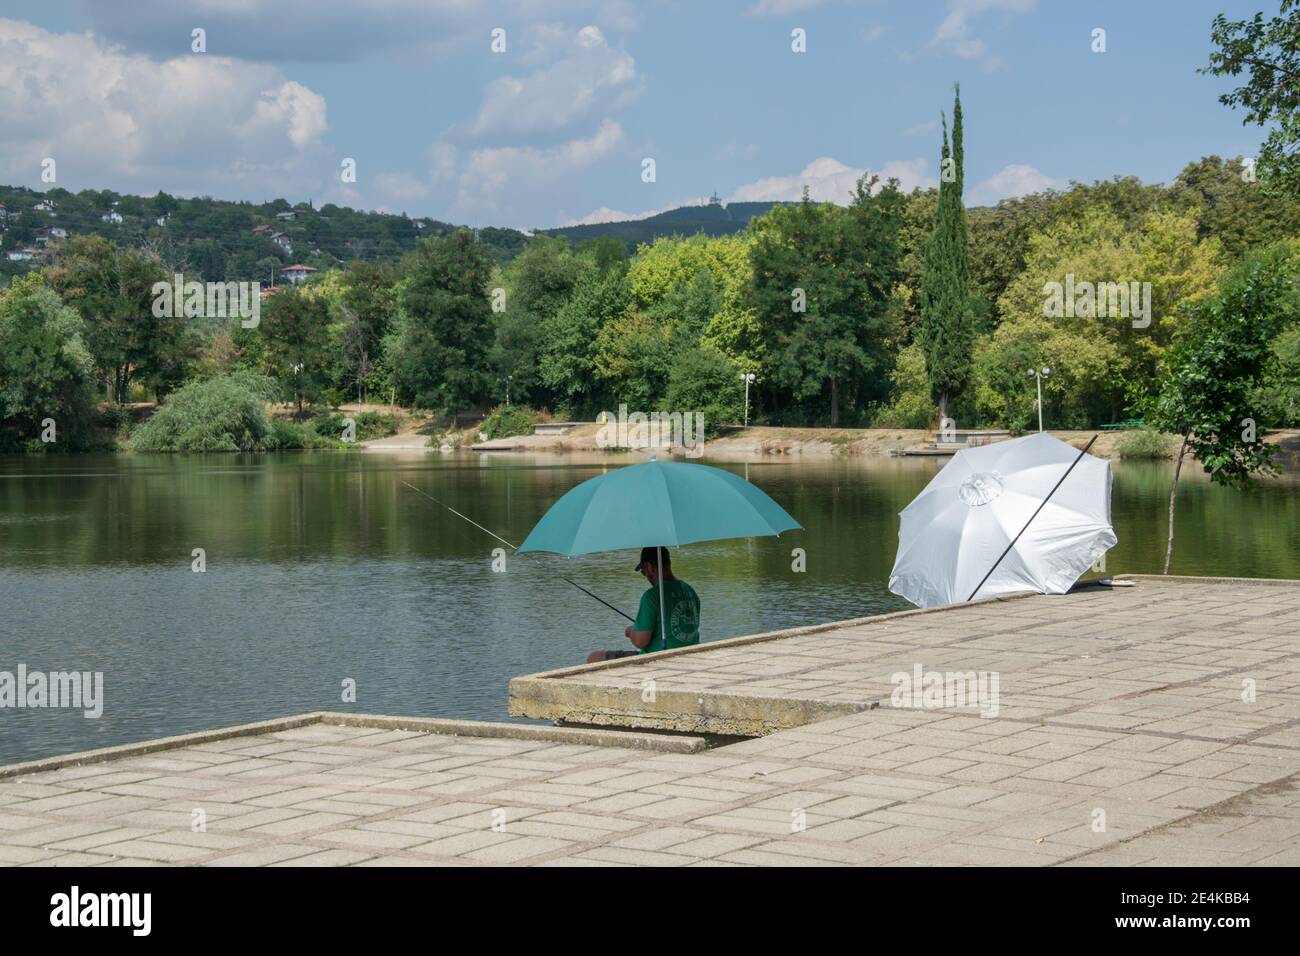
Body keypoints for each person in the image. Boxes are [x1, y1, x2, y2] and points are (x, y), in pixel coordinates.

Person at [586, 546, 700, 664]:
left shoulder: (652, 596)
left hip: (658, 658)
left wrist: (631, 632)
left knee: (594, 657)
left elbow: (641, 642)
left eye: (643, 572)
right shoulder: (689, 591)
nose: (646, 576)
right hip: (689, 655)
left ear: (650, 568)